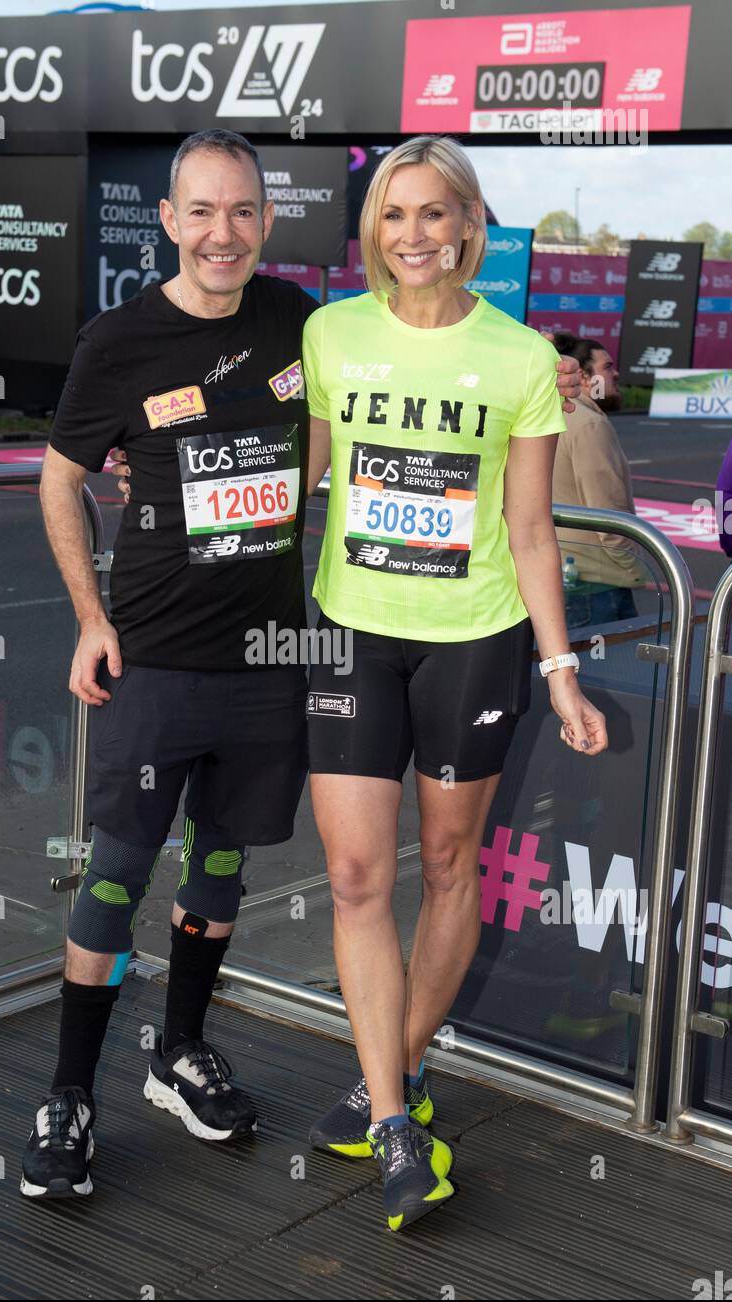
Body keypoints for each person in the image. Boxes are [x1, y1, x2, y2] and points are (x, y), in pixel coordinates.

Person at [298, 135, 609, 1233]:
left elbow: (530, 528)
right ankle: (391, 1117)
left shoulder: (520, 356)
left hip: (471, 639)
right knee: (349, 874)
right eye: (393, 215)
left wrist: (560, 673)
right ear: (371, 230)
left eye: (433, 214)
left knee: (441, 864)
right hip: (348, 634)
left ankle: (398, 1069)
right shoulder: (328, 333)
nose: (412, 236)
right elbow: (298, 469)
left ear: (468, 224)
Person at [22, 129, 319, 1199]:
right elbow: (58, 483)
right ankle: (68, 1095)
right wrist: (89, 618)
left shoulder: (300, 320)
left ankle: (177, 1052)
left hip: (266, 661)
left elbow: (323, 431)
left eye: (240, 211)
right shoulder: (117, 341)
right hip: (150, 656)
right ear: (167, 220)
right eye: (200, 211)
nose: (221, 233)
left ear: (265, 221)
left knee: (224, 869)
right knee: (113, 874)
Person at [549, 333, 648, 627]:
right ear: (583, 375)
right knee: (612, 670)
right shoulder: (589, 424)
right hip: (597, 586)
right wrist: (632, 569)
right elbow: (609, 515)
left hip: (559, 576)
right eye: (607, 367)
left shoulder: (547, 411)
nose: (615, 373)